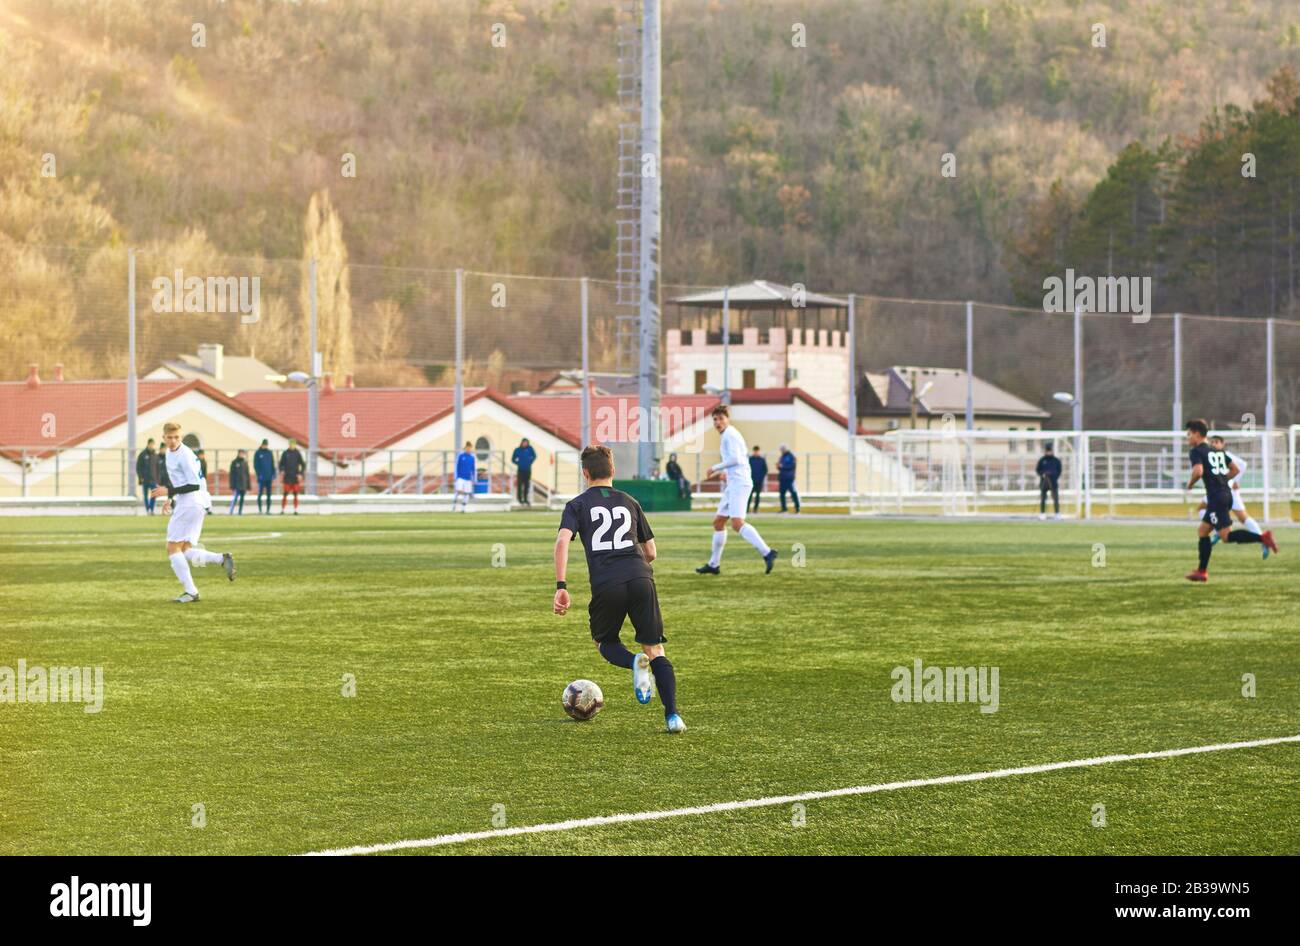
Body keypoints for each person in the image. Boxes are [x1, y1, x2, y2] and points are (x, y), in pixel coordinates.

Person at [553, 444, 684, 733]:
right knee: (655, 649)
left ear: (585, 473)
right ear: (613, 470)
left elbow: (563, 541)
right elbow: (651, 552)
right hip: (640, 578)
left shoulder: (577, 505)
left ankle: (633, 662)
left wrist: (561, 585)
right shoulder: (629, 501)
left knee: (605, 641)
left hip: (606, 583)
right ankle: (673, 716)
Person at [149, 422, 235, 602]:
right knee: (185, 548)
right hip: (193, 502)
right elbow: (181, 481)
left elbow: (194, 484)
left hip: (191, 502)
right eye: (170, 438)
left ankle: (191, 592)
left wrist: (169, 492)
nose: (173, 441)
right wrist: (171, 499)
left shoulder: (185, 455)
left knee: (172, 547)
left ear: (181, 437)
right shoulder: (170, 454)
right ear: (163, 438)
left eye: (177, 437)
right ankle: (221, 559)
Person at [1183, 419, 1276, 582]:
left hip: (1216, 498)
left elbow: (1198, 471)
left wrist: (1189, 484)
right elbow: (1235, 469)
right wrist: (1221, 479)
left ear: (1197, 434)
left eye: (1189, 434)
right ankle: (1201, 571)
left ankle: (1262, 537)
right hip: (1225, 494)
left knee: (1226, 536)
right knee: (1203, 531)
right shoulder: (1217, 450)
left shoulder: (1197, 451)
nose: (1187, 438)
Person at [696, 404, 778, 575]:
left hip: (740, 483)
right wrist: (727, 473)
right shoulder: (729, 434)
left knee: (737, 523)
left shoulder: (729, 435)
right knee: (718, 523)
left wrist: (716, 467)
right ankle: (713, 565)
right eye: (715, 419)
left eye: (721, 418)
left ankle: (767, 552)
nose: (718, 422)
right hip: (734, 482)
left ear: (728, 419)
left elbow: (736, 458)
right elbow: (739, 460)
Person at [1203, 436, 1268, 559]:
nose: (1213, 444)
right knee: (1205, 509)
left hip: (1226, 491)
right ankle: (1220, 531)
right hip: (1220, 491)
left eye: (1216, 442)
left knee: (1242, 517)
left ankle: (1262, 539)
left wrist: (1235, 481)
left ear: (1223, 444)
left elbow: (1242, 465)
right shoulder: (1213, 456)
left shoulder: (1225, 455)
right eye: (1212, 442)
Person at [1036, 444, 1062, 520]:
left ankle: (1057, 513)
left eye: (1050, 450)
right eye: (1047, 451)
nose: (1048, 452)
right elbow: (1038, 470)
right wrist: (1042, 474)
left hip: (1053, 482)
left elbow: (1059, 470)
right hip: (1044, 482)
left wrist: (1054, 476)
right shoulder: (1042, 460)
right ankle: (1042, 513)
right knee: (1043, 498)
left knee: (1055, 498)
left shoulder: (1056, 460)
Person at [279, 439, 305, 514]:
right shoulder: (285, 453)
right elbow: (281, 464)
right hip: (287, 476)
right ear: (289, 444)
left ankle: (295, 509)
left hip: (295, 477)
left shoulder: (297, 453)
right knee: (285, 494)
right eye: (291, 444)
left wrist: (300, 474)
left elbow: (303, 464)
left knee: (295, 494)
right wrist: (282, 470)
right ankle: (283, 509)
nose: (292, 445)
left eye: (293, 444)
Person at [512, 438, 537, 506]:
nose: (525, 444)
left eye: (526, 442)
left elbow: (534, 456)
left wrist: (530, 462)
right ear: (522, 443)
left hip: (528, 470)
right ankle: (520, 499)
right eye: (524, 442)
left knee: (526, 485)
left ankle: (526, 499)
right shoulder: (517, 450)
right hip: (520, 470)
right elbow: (513, 459)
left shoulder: (530, 449)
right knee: (520, 485)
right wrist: (518, 463)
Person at [136, 438, 159, 515]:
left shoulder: (155, 455)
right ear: (148, 444)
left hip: (153, 479)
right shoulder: (142, 455)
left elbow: (158, 467)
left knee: (154, 494)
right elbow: (138, 467)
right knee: (145, 495)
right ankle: (147, 509)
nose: (152, 446)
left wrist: (158, 479)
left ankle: (151, 509)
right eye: (151, 444)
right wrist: (140, 477)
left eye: (153, 444)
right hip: (145, 479)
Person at [253, 439, 275, 514]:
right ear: (262, 444)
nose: (265, 446)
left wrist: (273, 474)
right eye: (264, 444)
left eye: (266, 445)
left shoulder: (269, 453)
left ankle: (268, 510)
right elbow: (256, 465)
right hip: (261, 478)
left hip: (268, 477)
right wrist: (259, 474)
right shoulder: (258, 453)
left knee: (269, 495)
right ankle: (260, 510)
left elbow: (272, 464)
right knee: (260, 494)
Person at [453, 441, 476, 512]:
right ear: (465, 448)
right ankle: (454, 505)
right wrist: (456, 477)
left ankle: (463, 508)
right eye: (467, 448)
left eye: (470, 448)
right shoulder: (461, 456)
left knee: (467, 493)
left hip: (468, 478)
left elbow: (473, 469)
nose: (468, 449)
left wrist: (474, 479)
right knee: (458, 490)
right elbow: (457, 466)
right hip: (460, 477)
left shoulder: (472, 458)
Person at [777, 445, 800, 514]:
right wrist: (779, 466)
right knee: (782, 494)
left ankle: (797, 508)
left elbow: (791, 466)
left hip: (789, 478)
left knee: (793, 493)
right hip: (782, 478)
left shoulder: (791, 456)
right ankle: (784, 509)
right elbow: (781, 467)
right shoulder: (782, 457)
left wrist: (782, 466)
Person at [228, 449, 250, 515]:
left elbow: (247, 474)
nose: (242, 455)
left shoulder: (245, 463)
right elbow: (231, 474)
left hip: (243, 484)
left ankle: (240, 511)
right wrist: (232, 484)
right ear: (238, 453)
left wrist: (248, 485)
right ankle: (231, 511)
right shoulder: (234, 462)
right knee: (235, 498)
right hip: (236, 484)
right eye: (241, 453)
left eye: (243, 453)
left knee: (242, 499)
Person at [747, 446, 768, 514]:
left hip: (759, 481)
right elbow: (747, 469)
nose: (756, 452)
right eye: (755, 451)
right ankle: (747, 509)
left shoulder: (762, 460)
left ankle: (755, 509)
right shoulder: (750, 459)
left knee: (757, 496)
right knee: (749, 495)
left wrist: (761, 478)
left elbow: (765, 470)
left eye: (757, 451)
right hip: (751, 481)